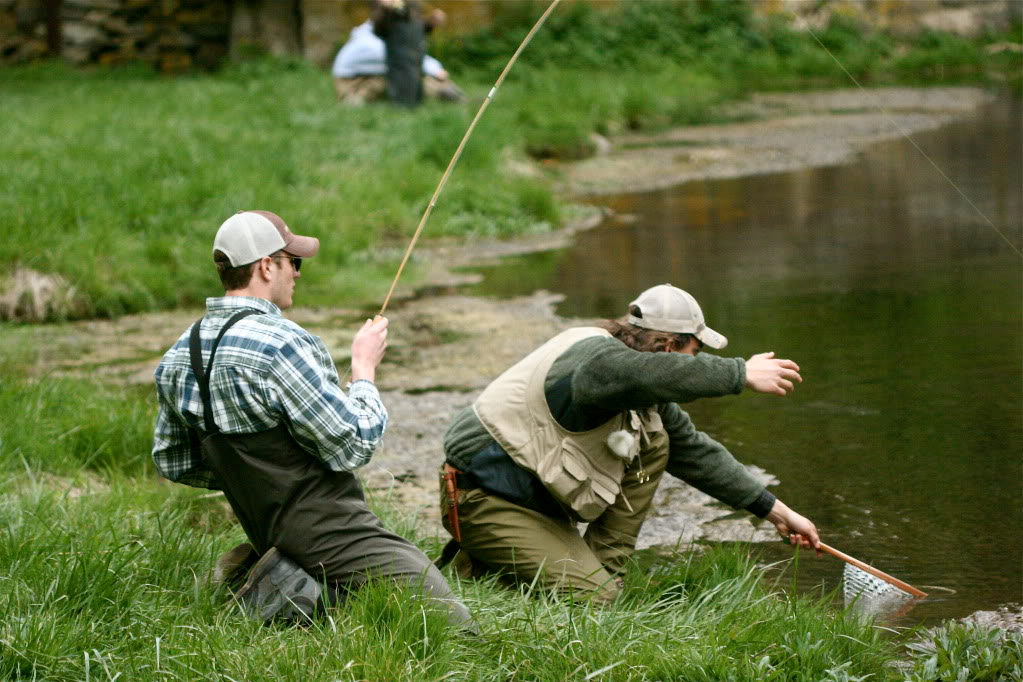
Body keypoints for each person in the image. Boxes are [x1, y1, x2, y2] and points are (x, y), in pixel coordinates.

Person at [152, 210, 473, 628]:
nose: (298, 274)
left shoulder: (180, 352)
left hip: (267, 532)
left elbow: (173, 459)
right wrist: (363, 371)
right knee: (452, 625)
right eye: (294, 262)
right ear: (267, 266)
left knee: (362, 614)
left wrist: (256, 480)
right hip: (335, 531)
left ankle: (287, 580)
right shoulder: (282, 342)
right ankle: (290, 585)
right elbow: (355, 445)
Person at [438, 284, 821, 604]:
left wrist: (775, 511)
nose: (695, 362)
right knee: (594, 602)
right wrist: (739, 373)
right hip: (486, 499)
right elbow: (638, 372)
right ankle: (503, 564)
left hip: (536, 504)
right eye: (696, 353)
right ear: (669, 347)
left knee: (657, 440)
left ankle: (596, 571)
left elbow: (694, 452)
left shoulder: (634, 383)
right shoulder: (598, 362)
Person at [331, 5, 464, 106]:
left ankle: (446, 91)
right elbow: (401, 56)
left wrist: (429, 24)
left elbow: (407, 45)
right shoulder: (367, 41)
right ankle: (442, 92)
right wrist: (434, 69)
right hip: (353, 85)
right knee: (407, 79)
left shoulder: (381, 33)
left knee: (408, 77)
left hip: (370, 77)